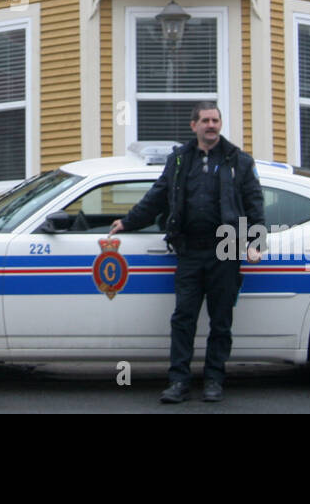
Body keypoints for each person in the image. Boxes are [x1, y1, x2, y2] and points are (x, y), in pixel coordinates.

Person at [108, 102, 265, 403]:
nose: (211, 125)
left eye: (215, 120)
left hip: (226, 248)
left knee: (221, 320)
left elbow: (254, 203)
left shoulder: (239, 161)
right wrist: (128, 222)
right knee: (183, 318)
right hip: (190, 249)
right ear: (193, 126)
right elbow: (157, 196)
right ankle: (178, 381)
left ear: (220, 124)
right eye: (205, 120)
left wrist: (256, 242)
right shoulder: (180, 160)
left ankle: (214, 380)